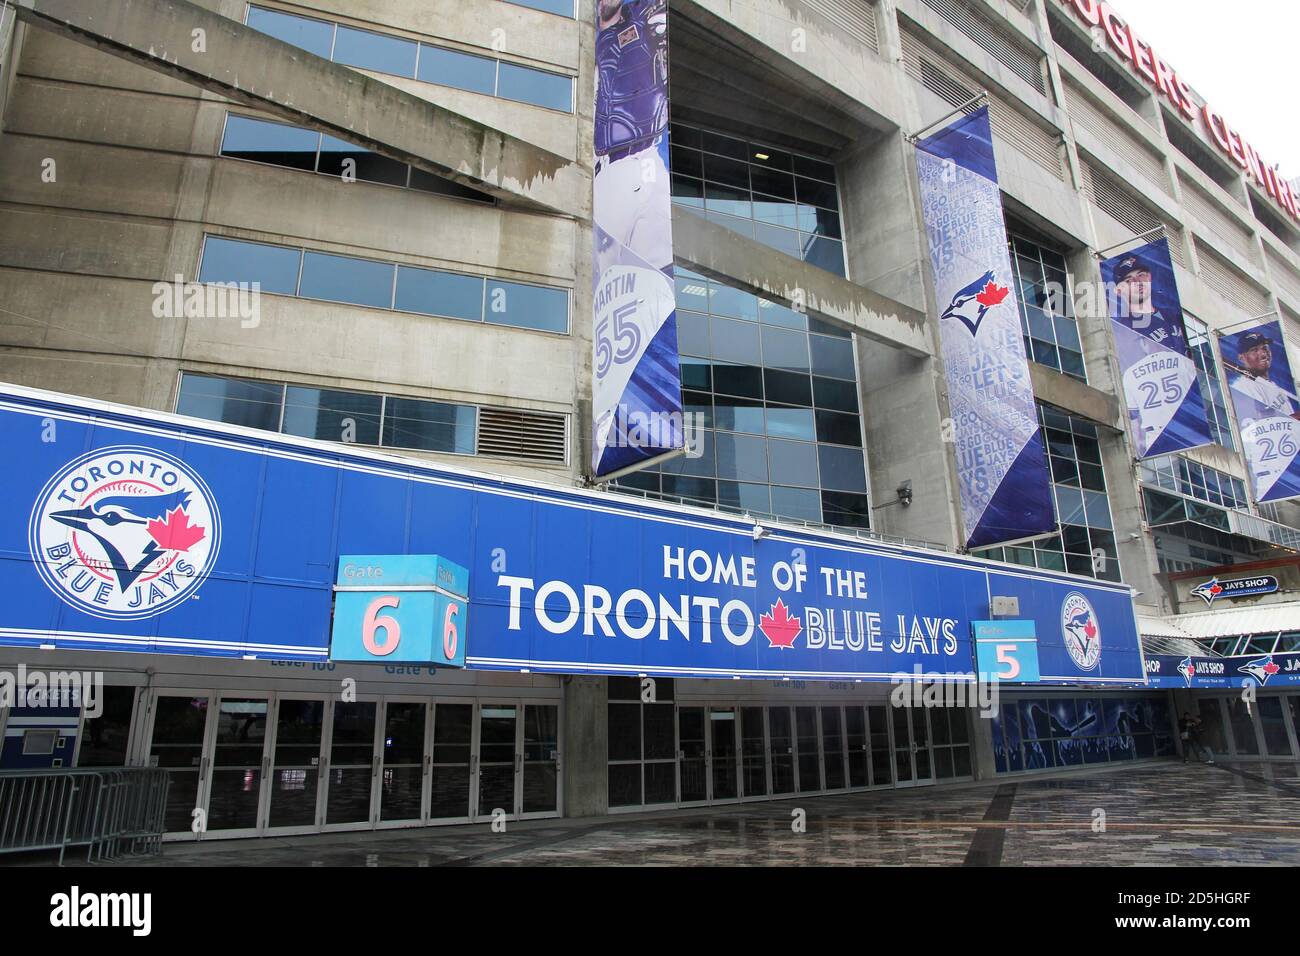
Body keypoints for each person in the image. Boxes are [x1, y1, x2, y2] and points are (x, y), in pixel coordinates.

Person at [1228, 331, 1300, 423]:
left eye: (1265, 348)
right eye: (1254, 350)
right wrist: (1293, 419)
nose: (1263, 354)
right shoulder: (1243, 387)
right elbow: (1258, 427)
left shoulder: (1270, 383)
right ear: (1241, 357)